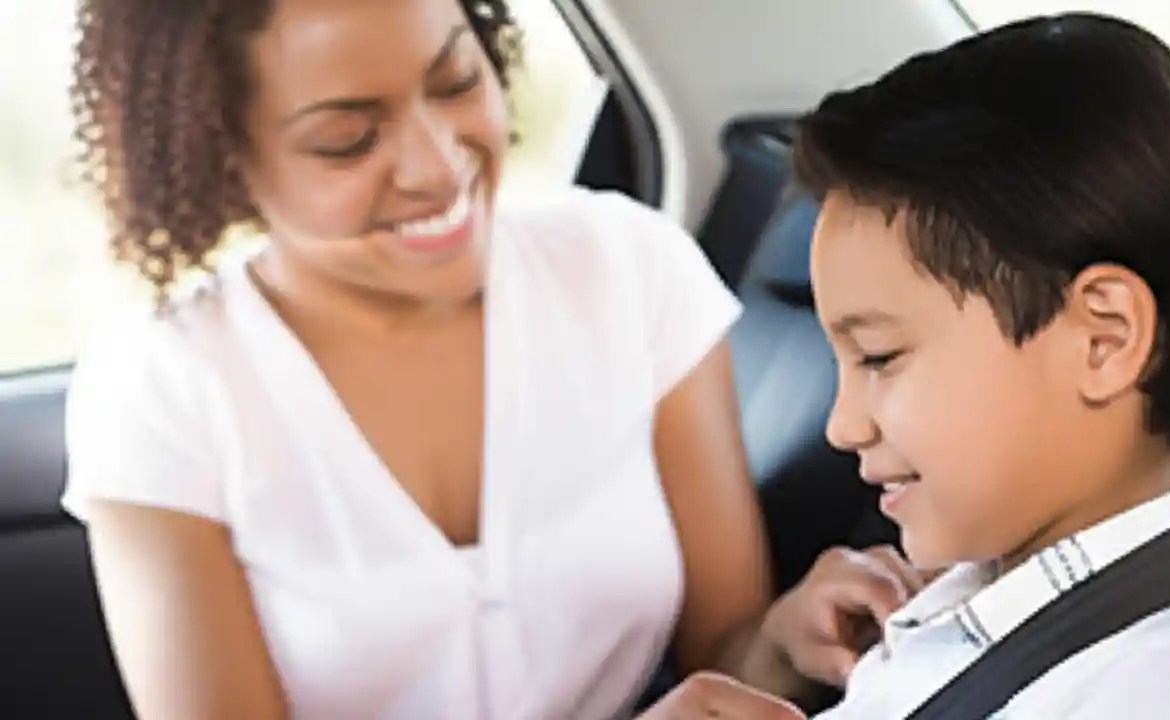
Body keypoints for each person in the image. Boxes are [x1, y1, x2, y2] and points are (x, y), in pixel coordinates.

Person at [61, 0, 919, 718]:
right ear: (224, 160)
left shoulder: (626, 269)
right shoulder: (161, 388)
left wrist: (783, 637)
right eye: (347, 141)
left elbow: (721, 658)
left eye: (456, 83)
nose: (438, 166)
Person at [778, 12, 1170, 719]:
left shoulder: (1168, 690)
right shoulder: (984, 604)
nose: (842, 424)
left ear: (1102, 340)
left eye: (880, 358)